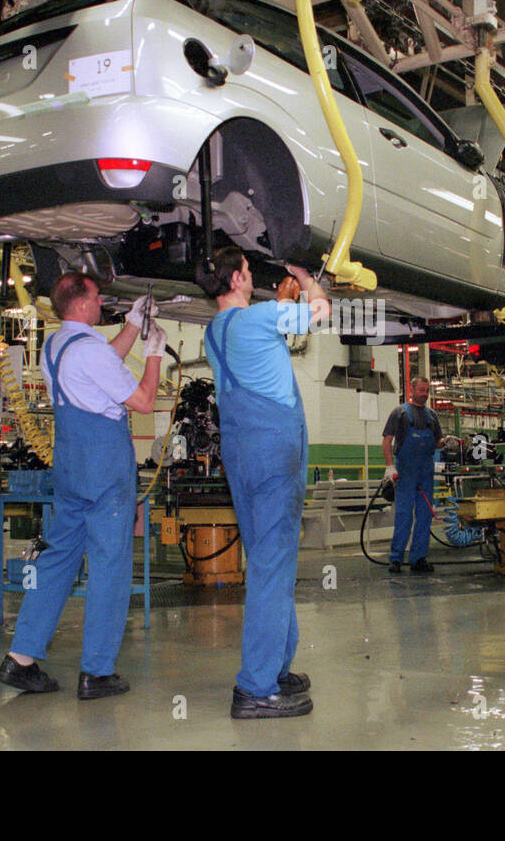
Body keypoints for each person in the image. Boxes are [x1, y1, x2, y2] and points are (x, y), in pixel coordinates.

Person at [0, 273, 164, 699]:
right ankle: (97, 672)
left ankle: (21, 658)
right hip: (105, 469)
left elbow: (102, 363)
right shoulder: (88, 350)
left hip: (70, 467)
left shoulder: (56, 345)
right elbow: (144, 401)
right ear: (84, 305)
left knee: (57, 561)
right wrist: (154, 354)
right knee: (110, 566)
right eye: (97, 296)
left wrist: (131, 324)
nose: (101, 300)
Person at [198, 245, 329, 719]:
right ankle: (254, 687)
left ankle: (275, 667)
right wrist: (306, 281)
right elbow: (320, 313)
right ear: (235, 280)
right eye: (247, 270)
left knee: (269, 561)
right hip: (274, 450)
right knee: (273, 567)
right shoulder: (257, 320)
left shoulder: (213, 332)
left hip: (242, 452)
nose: (251, 275)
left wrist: (281, 302)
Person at [381, 377, 457, 574]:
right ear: (412, 389)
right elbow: (387, 440)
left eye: (427, 390)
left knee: (424, 516)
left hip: (425, 472)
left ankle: (418, 559)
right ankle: (396, 559)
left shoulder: (432, 416)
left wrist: (446, 441)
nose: (424, 394)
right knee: (404, 515)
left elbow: (437, 441)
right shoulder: (399, 413)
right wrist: (390, 467)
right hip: (405, 472)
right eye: (421, 390)